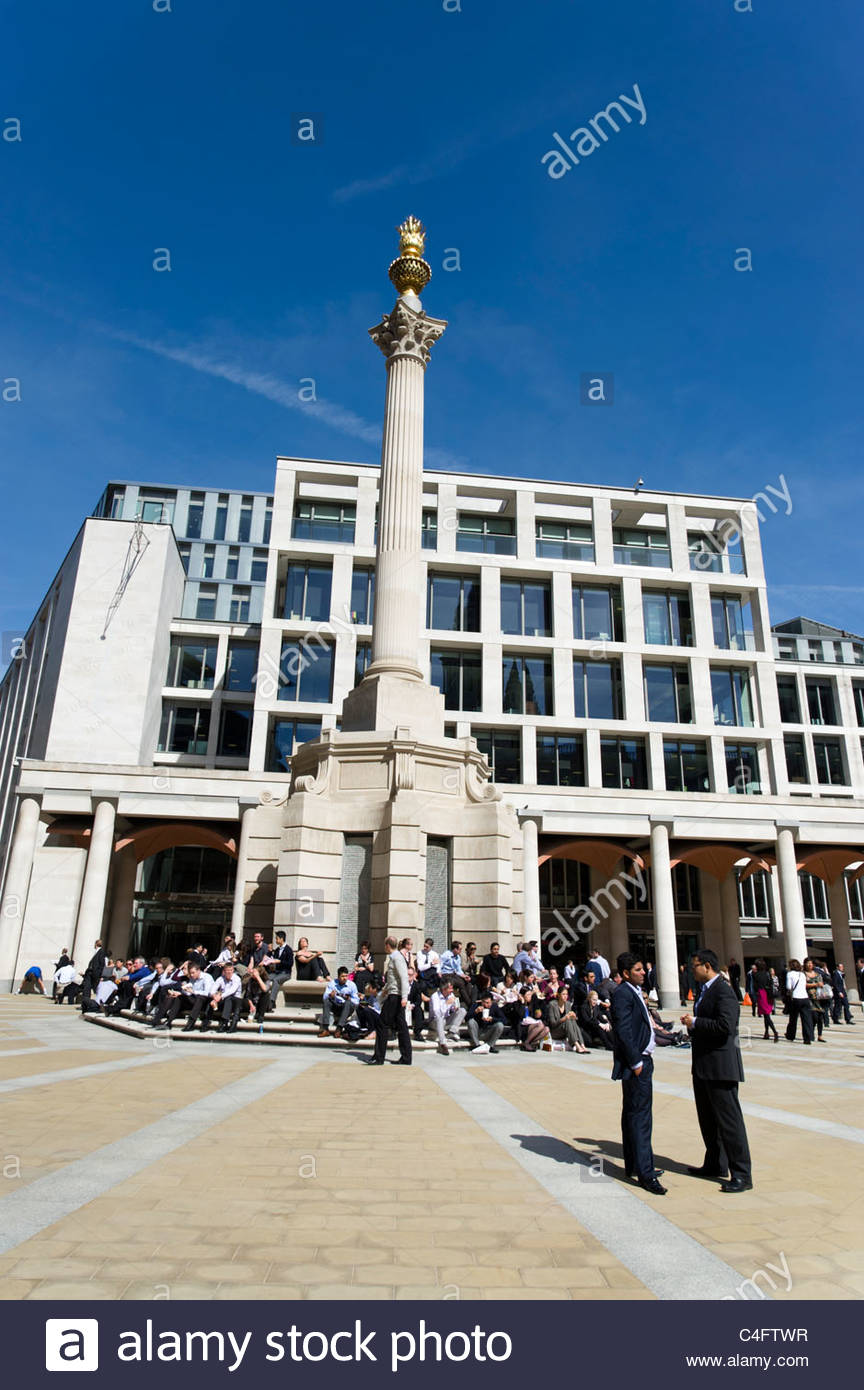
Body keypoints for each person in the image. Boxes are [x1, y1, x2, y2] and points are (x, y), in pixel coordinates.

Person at [681, 948, 752, 1193]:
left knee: (729, 1122)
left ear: (708, 966)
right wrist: (693, 1025)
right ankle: (715, 1163)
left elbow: (726, 1025)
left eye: (695, 965)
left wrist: (696, 1022)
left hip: (721, 1067)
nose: (693, 969)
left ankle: (741, 1173)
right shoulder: (705, 990)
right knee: (708, 1119)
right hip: (704, 1066)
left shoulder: (724, 991)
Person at [610, 953, 665, 1194]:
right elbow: (622, 1029)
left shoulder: (632, 991)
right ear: (625, 973)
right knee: (640, 1117)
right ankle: (646, 1173)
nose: (644, 973)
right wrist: (635, 1061)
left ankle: (636, 1164)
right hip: (638, 1063)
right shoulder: (623, 994)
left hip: (642, 1060)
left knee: (634, 1114)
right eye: (639, 969)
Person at [370, 936, 412, 1065]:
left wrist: (405, 997)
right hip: (394, 994)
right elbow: (393, 980)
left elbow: (404, 978)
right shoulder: (395, 957)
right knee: (401, 1026)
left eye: (385, 945)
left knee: (382, 1024)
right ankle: (405, 1058)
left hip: (396, 996)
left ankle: (379, 1057)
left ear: (388, 945)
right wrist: (384, 991)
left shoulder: (397, 957)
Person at [319, 967, 360, 1037]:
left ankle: (339, 1029)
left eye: (346, 976)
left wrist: (350, 999)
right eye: (342, 976)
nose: (345, 978)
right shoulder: (332, 983)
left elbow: (356, 1002)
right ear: (338, 977)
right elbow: (324, 997)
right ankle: (325, 1029)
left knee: (348, 1003)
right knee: (327, 1001)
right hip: (336, 1006)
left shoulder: (352, 985)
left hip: (347, 1007)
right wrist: (330, 995)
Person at [428, 978, 466, 1055]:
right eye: (450, 988)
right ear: (444, 989)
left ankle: (452, 1032)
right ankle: (443, 1044)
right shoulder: (435, 997)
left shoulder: (451, 995)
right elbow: (437, 1013)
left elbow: (450, 1010)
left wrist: (454, 1008)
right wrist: (446, 1004)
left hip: (446, 1019)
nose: (452, 990)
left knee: (462, 1010)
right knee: (439, 1019)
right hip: (435, 1021)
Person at [784, 959, 813, 1044]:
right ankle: (807, 1038)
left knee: (793, 1018)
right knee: (806, 1019)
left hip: (796, 998)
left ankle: (791, 1035)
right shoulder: (802, 974)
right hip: (805, 997)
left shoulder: (790, 974)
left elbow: (789, 986)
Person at [210, 962, 243, 1032]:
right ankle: (206, 1021)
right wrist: (214, 996)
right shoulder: (220, 979)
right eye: (227, 970)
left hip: (236, 1000)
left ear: (233, 970)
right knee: (211, 1000)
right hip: (223, 999)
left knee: (229, 998)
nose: (229, 972)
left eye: (230, 970)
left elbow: (232, 991)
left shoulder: (237, 979)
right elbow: (212, 989)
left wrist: (220, 996)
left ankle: (224, 1022)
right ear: (224, 971)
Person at [439, 940, 472, 1009]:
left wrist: (464, 976)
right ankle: (470, 1004)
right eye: (459, 949)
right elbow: (440, 964)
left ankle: (466, 1002)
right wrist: (439, 972)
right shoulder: (446, 955)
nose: (460, 951)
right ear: (455, 949)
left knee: (467, 983)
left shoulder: (458, 957)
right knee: (460, 984)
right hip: (446, 974)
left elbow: (458, 970)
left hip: (453, 974)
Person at [752, 958, 778, 1042]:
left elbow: (755, 986)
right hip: (768, 994)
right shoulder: (767, 974)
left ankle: (775, 1032)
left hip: (761, 994)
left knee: (766, 1016)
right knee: (766, 1015)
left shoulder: (755, 975)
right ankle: (766, 1032)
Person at [803, 957, 829, 1042]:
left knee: (820, 1017)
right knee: (813, 1017)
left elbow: (821, 983)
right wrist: (815, 984)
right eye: (808, 963)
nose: (810, 965)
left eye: (811, 963)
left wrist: (820, 984)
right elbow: (804, 985)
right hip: (809, 998)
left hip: (819, 998)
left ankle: (820, 1035)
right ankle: (811, 1033)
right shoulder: (803, 974)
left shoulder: (817, 974)